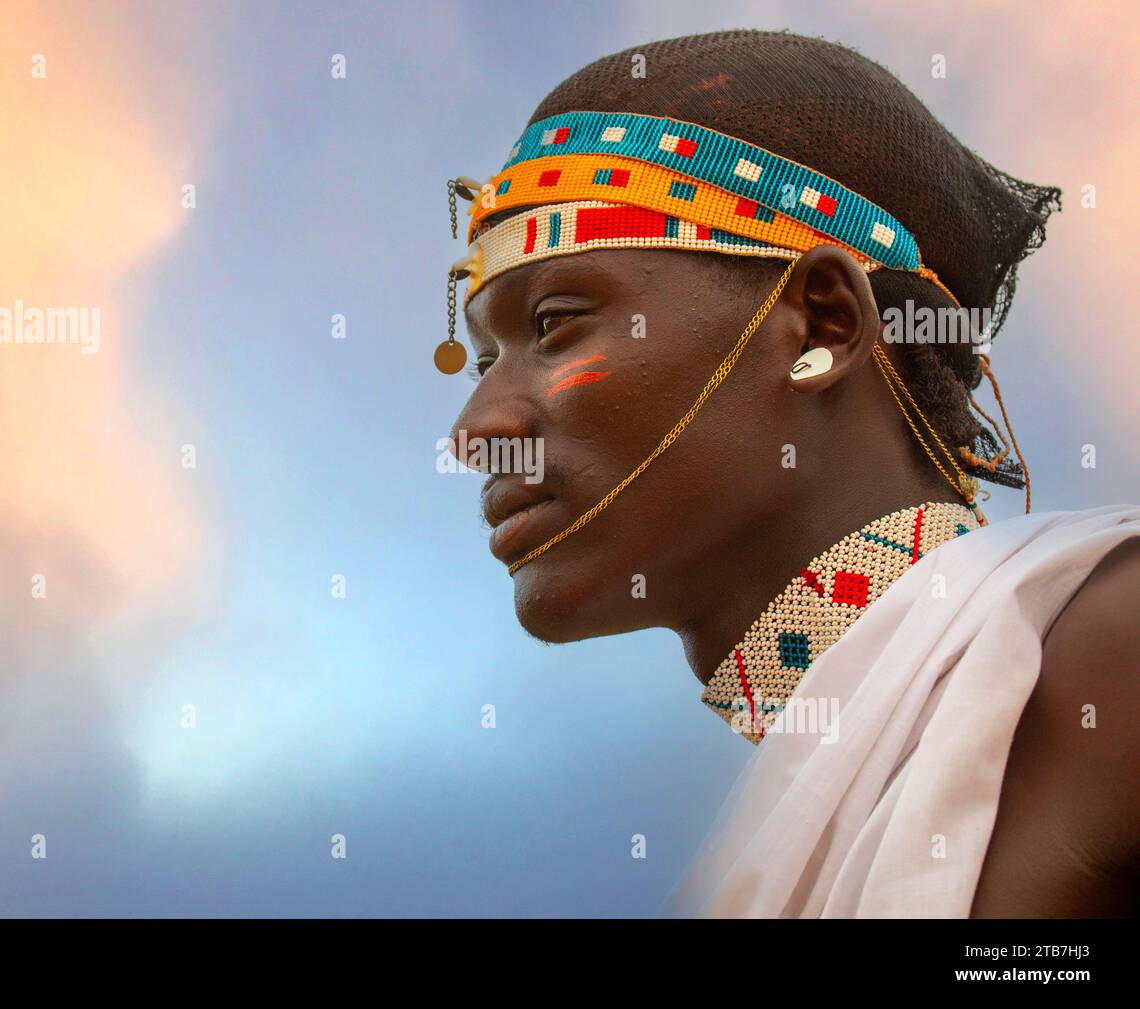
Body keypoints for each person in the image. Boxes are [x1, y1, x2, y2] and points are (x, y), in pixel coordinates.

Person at [440, 31, 1140, 917]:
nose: (476, 431)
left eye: (554, 324)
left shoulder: (1109, 652)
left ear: (822, 325)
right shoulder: (791, 810)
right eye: (482, 363)